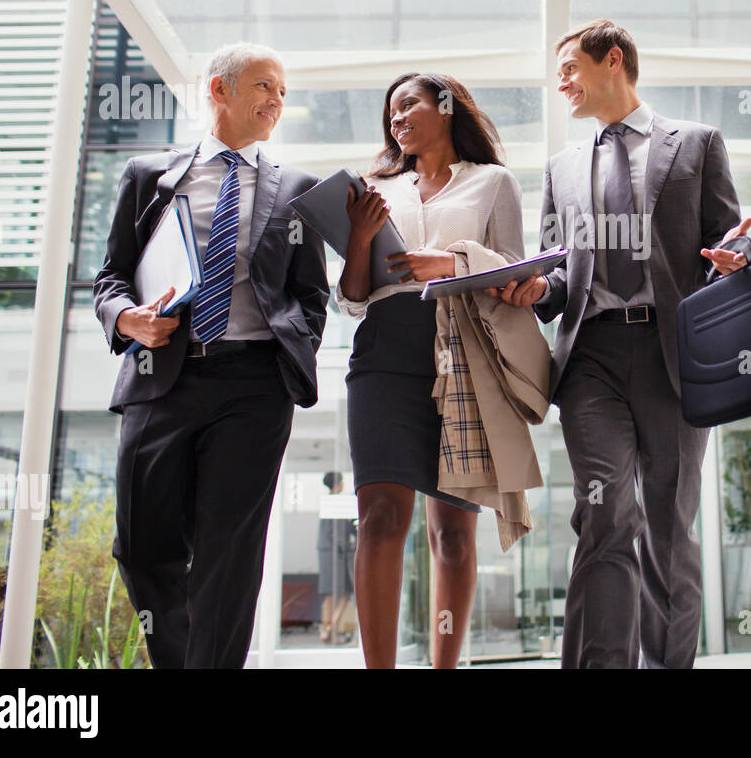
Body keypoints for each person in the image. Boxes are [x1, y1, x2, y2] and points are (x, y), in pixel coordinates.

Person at [495, 19, 751, 668]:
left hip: (676, 356)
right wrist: (536, 290)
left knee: (669, 527)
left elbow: (733, 237)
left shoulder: (696, 145)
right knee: (604, 516)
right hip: (592, 361)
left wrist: (737, 257)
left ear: (612, 61)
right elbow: (559, 272)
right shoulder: (561, 168)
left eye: (568, 69)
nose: (560, 83)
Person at [92, 42, 329, 669]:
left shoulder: (298, 190)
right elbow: (110, 280)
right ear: (218, 90)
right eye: (264, 86)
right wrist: (129, 319)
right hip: (160, 378)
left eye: (282, 90)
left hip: (254, 387)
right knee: (141, 546)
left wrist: (294, 351)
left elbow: (312, 295)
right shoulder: (150, 176)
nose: (277, 101)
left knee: (230, 554)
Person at [336, 71, 529, 668]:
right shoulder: (373, 188)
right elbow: (349, 298)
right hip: (382, 356)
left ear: (446, 108)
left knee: (452, 530)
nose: (397, 118)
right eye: (390, 111)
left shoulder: (493, 183)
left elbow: (519, 278)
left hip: (462, 356)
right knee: (380, 517)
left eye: (409, 105)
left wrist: (451, 264)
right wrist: (359, 238)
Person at [317, 471, 356, 644]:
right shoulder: (337, 502)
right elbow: (342, 529)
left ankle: (327, 630)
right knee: (344, 591)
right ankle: (330, 629)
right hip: (335, 553)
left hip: (326, 551)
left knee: (330, 593)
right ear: (337, 484)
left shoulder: (326, 502)